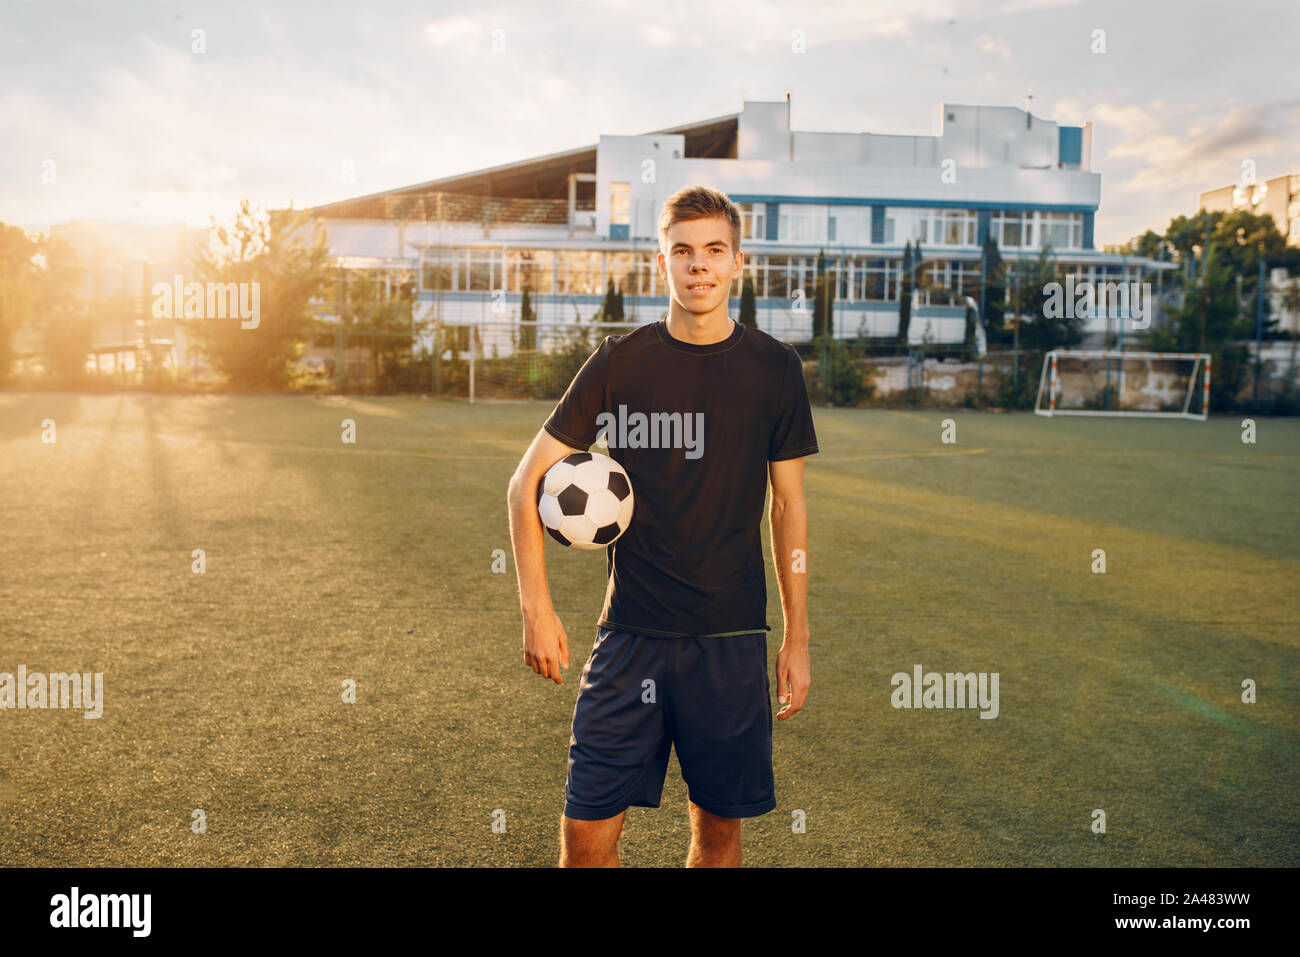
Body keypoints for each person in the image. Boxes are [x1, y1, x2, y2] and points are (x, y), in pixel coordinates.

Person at [506, 185, 818, 867]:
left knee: (717, 835)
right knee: (585, 838)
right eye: (683, 250)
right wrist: (536, 609)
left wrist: (797, 638)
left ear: (737, 262)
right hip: (630, 636)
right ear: (661, 263)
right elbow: (525, 482)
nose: (698, 264)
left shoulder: (775, 369)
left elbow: (787, 506)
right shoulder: (620, 362)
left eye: (714, 250)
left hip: (730, 640)